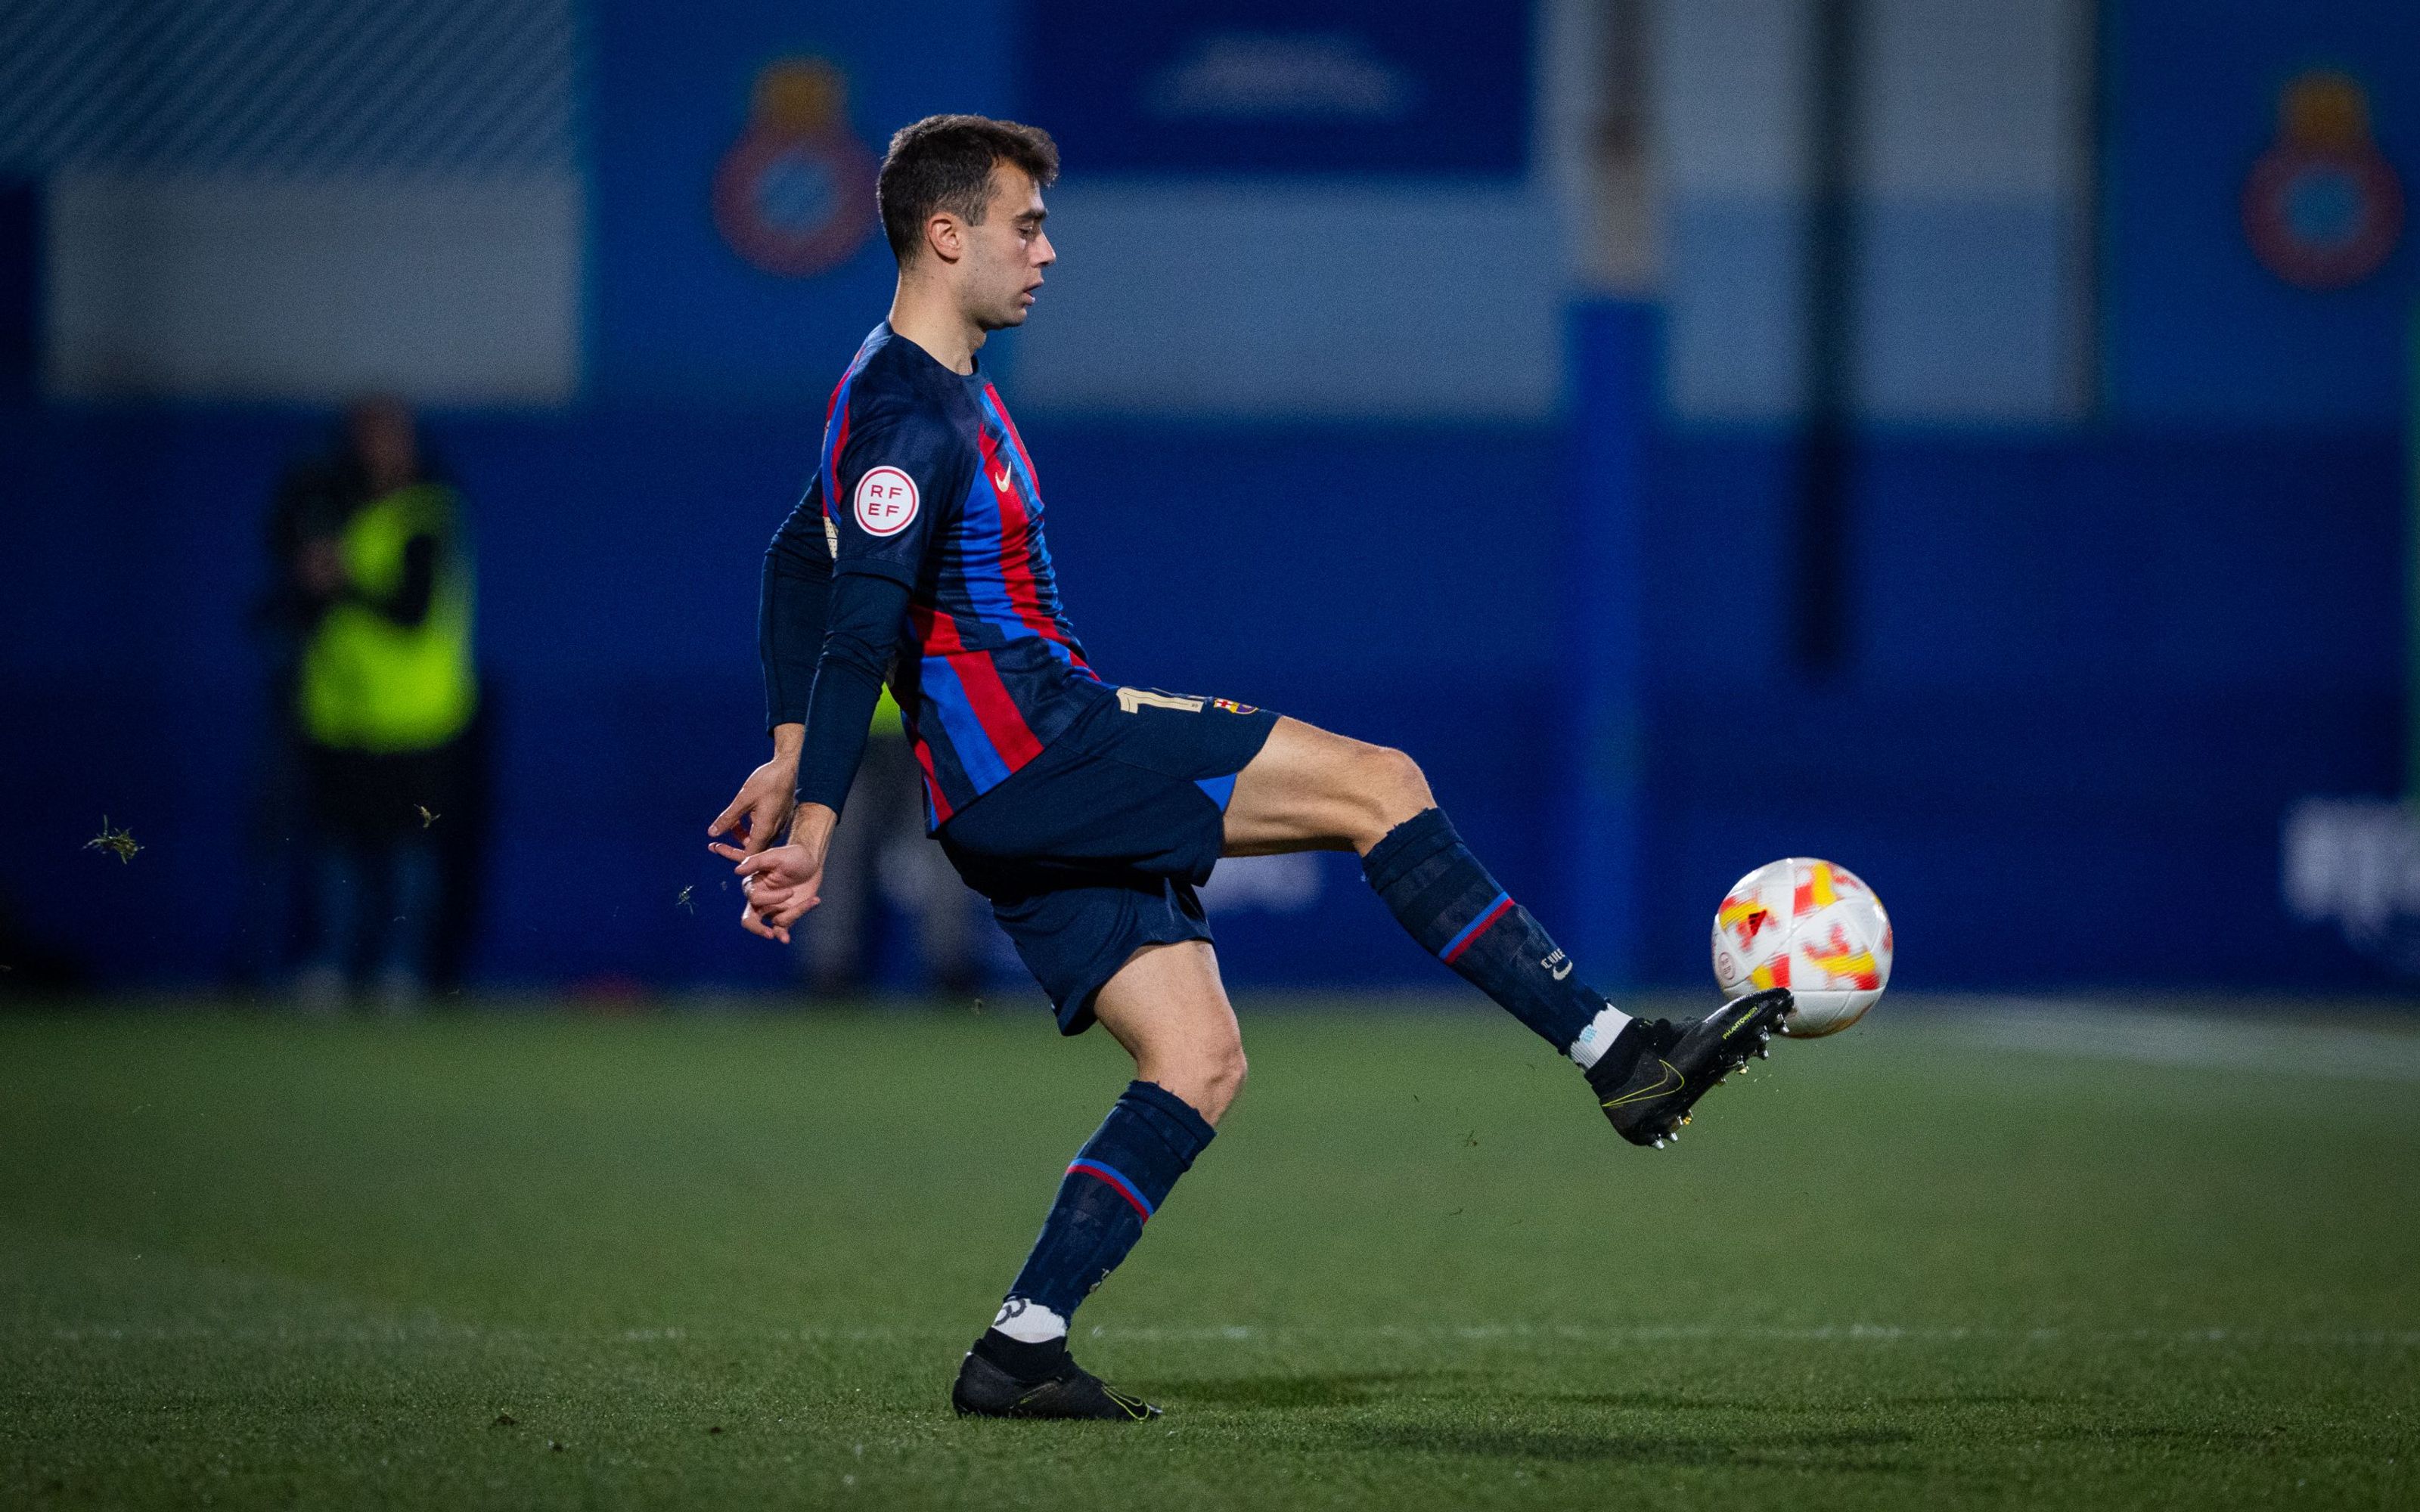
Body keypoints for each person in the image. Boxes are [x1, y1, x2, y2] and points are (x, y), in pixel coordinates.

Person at [708, 116, 1792, 1422]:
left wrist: (782, 753)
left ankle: (1021, 1347)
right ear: (947, 235)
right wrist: (817, 813)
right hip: (1045, 750)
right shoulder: (911, 417)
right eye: (1026, 223)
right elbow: (860, 615)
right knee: (1379, 784)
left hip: (1009, 791)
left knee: (1198, 1059)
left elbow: (792, 556)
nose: (1049, 250)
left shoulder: (894, 384)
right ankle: (1622, 1057)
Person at [279, 397, 479, 1012]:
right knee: (338, 846)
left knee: (408, 852)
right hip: (340, 713)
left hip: (418, 717)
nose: (377, 449)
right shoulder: (327, 509)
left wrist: (341, 580)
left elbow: (411, 608)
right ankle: (332, 968)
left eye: (389, 435)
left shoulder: (427, 511)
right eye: (366, 435)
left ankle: (400, 972)